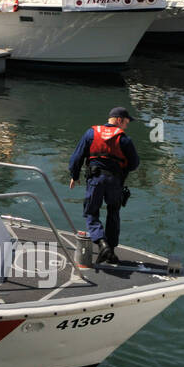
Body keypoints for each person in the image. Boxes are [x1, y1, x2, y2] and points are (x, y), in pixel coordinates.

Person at [68, 107, 140, 264]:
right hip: (115, 181)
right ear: (119, 120)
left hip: (95, 180)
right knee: (113, 213)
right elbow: (134, 163)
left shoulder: (91, 133)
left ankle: (102, 244)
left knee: (91, 213)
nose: (126, 126)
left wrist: (74, 175)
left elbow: (77, 157)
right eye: (126, 122)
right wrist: (120, 170)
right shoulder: (124, 139)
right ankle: (111, 252)